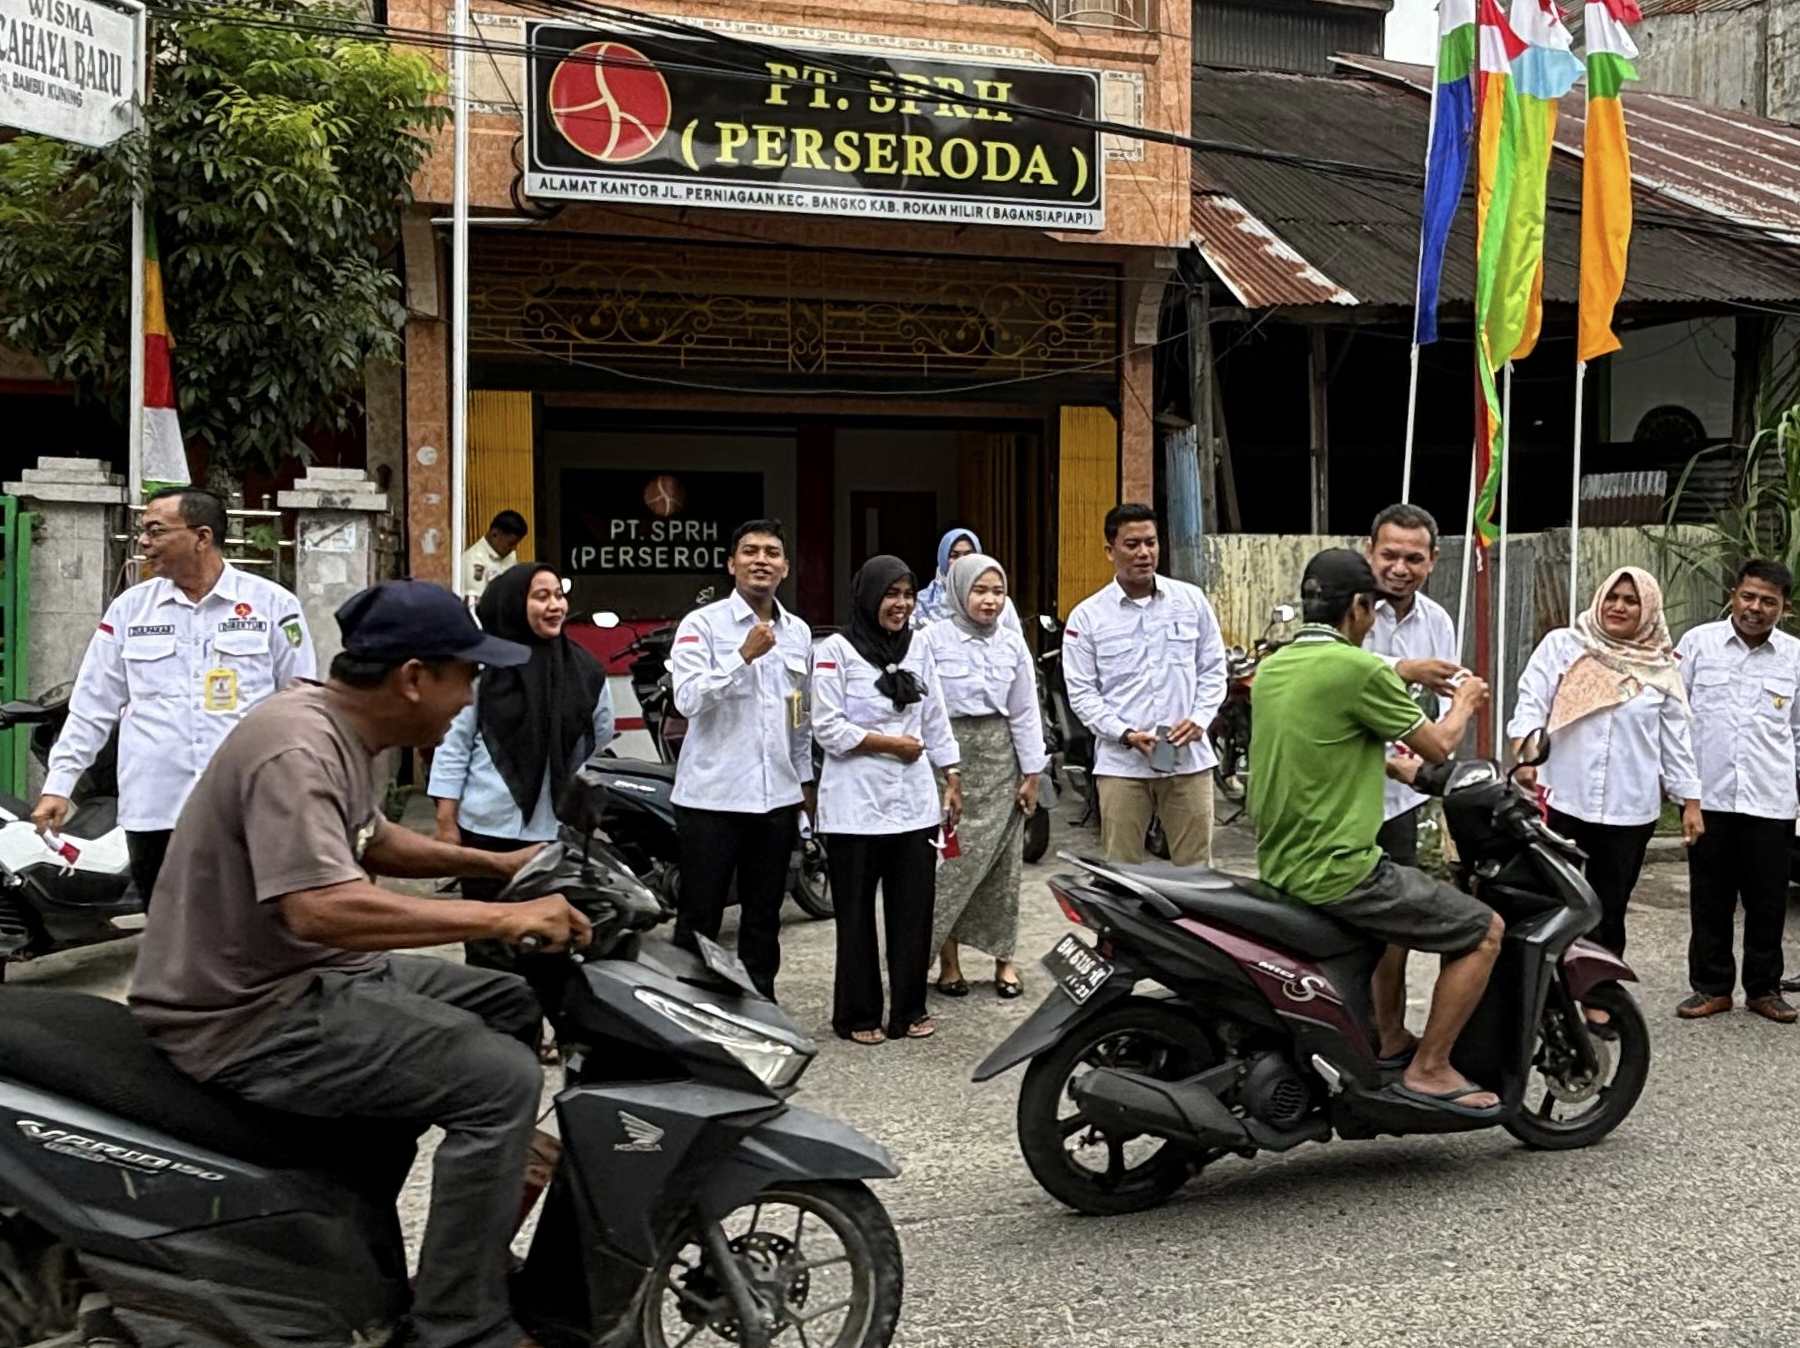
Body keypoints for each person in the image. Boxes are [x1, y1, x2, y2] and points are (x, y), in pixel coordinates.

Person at [128, 579, 590, 1348]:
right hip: (246, 1010)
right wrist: (502, 915)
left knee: (505, 1009)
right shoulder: (297, 747)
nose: (469, 696)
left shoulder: (340, 728)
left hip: (309, 974)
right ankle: (460, 1323)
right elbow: (320, 907)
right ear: (414, 678)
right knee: (500, 1080)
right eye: (465, 676)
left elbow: (372, 840)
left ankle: (440, 1239)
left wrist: (503, 863)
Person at [1251, 549, 1503, 1116]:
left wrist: (1389, 764)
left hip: (1281, 863)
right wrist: (1464, 702)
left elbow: (1328, 740)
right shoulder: (1357, 670)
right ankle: (1431, 1068)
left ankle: (1388, 1038)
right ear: (1361, 607)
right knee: (1484, 929)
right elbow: (1440, 746)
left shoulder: (1276, 667)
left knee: (1401, 921)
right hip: (1339, 868)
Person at [33, 487, 317, 906]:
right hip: (155, 807)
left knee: (250, 931)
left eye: (156, 531)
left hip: (246, 806)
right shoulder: (130, 611)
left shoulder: (273, 606)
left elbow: (300, 704)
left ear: (201, 537)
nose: (144, 542)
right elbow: (93, 706)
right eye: (143, 532)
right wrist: (59, 785)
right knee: (168, 933)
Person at [1509, 566, 1702, 1029]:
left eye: (1631, 600)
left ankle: (1597, 994)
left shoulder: (1660, 665)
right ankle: (1546, 998)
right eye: (1612, 596)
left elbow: (1676, 740)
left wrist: (1690, 802)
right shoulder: (1564, 645)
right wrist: (1528, 752)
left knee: (1608, 907)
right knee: (1553, 901)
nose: (1619, 606)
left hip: (1628, 808)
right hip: (1563, 799)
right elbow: (1531, 701)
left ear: (1647, 609)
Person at [429, 562, 614, 1027]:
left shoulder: (585, 671)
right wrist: (446, 827)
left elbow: (599, 734)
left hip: (553, 835)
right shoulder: (484, 673)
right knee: (490, 946)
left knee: (550, 939)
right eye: (540, 597)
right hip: (485, 831)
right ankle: (496, 1031)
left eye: (558, 595)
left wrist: (561, 770)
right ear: (513, 604)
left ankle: (546, 1025)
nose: (554, 606)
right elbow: (453, 749)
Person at [813, 555, 962, 1044]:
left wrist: (952, 775)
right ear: (867, 596)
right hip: (856, 804)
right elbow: (828, 727)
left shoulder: (918, 646)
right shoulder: (836, 650)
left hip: (913, 803)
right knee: (855, 915)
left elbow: (934, 715)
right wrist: (889, 743)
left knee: (914, 911)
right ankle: (857, 1014)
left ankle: (909, 1010)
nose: (899, 604)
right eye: (890, 594)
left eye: (907, 594)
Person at [669, 519, 813, 1000]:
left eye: (772, 552)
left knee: (764, 916)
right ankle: (688, 1009)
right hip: (712, 797)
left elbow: (800, 713)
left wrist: (805, 783)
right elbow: (687, 699)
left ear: (785, 567)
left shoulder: (797, 632)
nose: (761, 560)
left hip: (775, 799)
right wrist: (741, 657)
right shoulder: (702, 626)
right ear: (732, 564)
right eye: (749, 551)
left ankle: (759, 1006)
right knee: (700, 917)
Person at [1062, 502, 1227, 865]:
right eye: (1132, 544)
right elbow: (1082, 692)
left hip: (1187, 760)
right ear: (1110, 551)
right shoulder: (1088, 617)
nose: (1144, 553)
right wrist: (1124, 733)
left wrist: (1199, 719)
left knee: (1198, 871)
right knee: (1121, 872)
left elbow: (1214, 668)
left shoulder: (1191, 601)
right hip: (1123, 764)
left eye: (1151, 543)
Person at [1672, 558, 1800, 1023]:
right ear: (1733, 594)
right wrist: (1680, 787)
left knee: (1768, 898)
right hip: (1710, 797)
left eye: (1769, 601)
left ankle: (1764, 989)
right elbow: (1676, 718)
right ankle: (1711, 987)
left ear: (1783, 607)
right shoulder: (1697, 645)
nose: (1756, 608)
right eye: (1749, 596)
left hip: (1771, 798)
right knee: (1710, 896)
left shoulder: (1795, 657)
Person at [1360, 503, 1464, 1060]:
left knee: (1395, 930)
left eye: (1414, 558)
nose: (1399, 567)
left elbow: (1436, 702)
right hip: (1343, 796)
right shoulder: (1346, 612)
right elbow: (1336, 697)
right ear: (1368, 552)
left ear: (1432, 561)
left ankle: (1390, 1034)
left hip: (1399, 801)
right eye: (1390, 555)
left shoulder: (1436, 621)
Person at [921, 553, 1048, 1000]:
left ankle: (1004, 962)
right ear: (959, 591)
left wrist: (1032, 773)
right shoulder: (931, 640)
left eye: (997, 591)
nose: (990, 600)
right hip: (950, 763)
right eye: (980, 590)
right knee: (949, 868)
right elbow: (928, 711)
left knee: (1003, 868)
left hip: (1001, 762)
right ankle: (948, 964)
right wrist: (942, 767)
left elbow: (1025, 712)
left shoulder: (1013, 645)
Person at [912, 526, 1023, 634]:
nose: (962, 561)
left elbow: (1017, 646)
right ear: (943, 560)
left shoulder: (1000, 603)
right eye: (954, 555)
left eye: (969, 554)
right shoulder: (921, 603)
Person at [461, 510, 528, 605]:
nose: (514, 549)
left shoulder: (509, 555)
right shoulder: (473, 561)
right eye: (511, 544)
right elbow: (476, 605)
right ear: (494, 534)